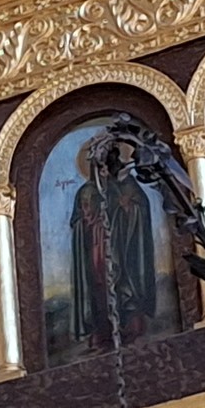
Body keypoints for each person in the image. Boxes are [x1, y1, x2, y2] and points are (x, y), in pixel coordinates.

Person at [69, 139, 160, 352]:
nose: (104, 169)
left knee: (125, 283)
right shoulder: (85, 191)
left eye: (107, 163)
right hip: (96, 248)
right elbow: (77, 222)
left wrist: (127, 208)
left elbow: (140, 206)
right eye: (99, 165)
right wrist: (87, 221)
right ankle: (102, 334)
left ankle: (132, 330)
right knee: (99, 289)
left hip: (123, 247)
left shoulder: (126, 186)